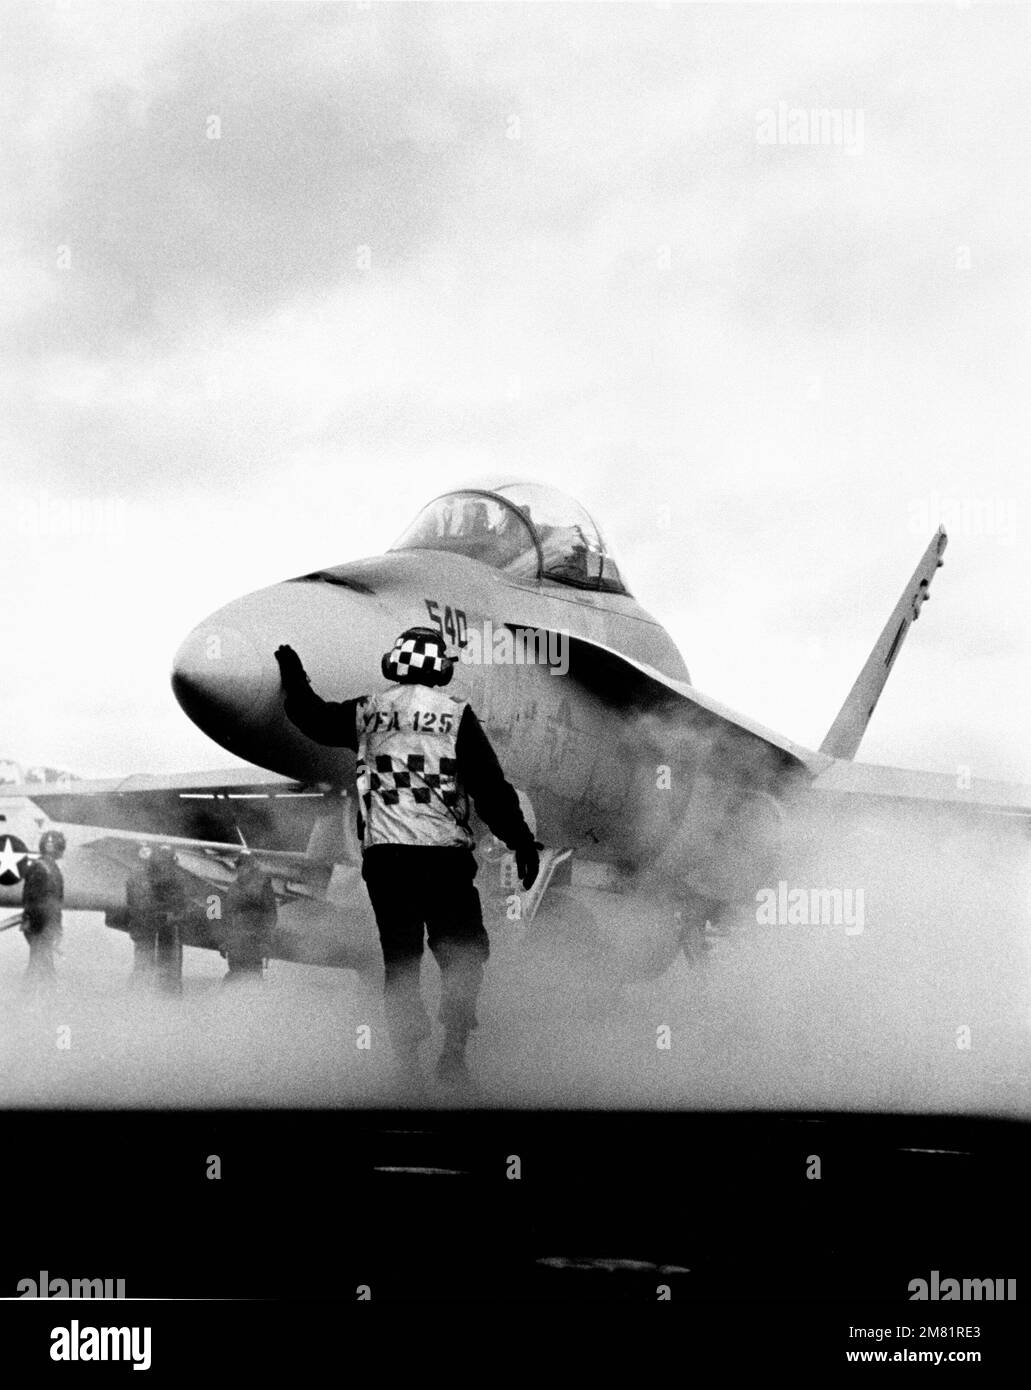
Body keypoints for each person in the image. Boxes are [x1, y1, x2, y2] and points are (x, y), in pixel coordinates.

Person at [275, 627, 541, 1091]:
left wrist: (294, 677)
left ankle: (406, 1066)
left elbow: (311, 718)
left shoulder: (368, 711)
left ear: (393, 664)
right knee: (463, 955)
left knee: (401, 961)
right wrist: (520, 841)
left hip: (387, 862)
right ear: (443, 668)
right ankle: (453, 1057)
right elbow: (491, 789)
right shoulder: (457, 716)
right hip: (445, 861)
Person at [124, 844, 191, 995]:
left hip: (146, 923)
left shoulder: (139, 874)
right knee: (168, 964)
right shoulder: (176, 875)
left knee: (144, 963)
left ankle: (140, 995)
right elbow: (183, 902)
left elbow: (133, 901)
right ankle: (167, 995)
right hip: (167, 924)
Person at [221, 853, 276, 983]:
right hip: (236, 943)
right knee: (235, 976)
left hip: (254, 943)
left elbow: (270, 916)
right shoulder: (234, 887)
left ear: (250, 867)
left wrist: (265, 942)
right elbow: (227, 915)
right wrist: (224, 941)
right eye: (238, 866)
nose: (240, 869)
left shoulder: (262, 886)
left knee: (252, 977)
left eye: (243, 866)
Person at [21, 830, 65, 987]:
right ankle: (32, 997)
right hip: (40, 926)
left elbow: (56, 902)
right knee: (41, 967)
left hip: (45, 926)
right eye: (48, 843)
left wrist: (56, 927)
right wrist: (42, 927)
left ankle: (31, 996)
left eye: (53, 843)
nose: (50, 846)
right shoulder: (41, 867)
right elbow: (31, 899)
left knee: (40, 966)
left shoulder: (51, 868)